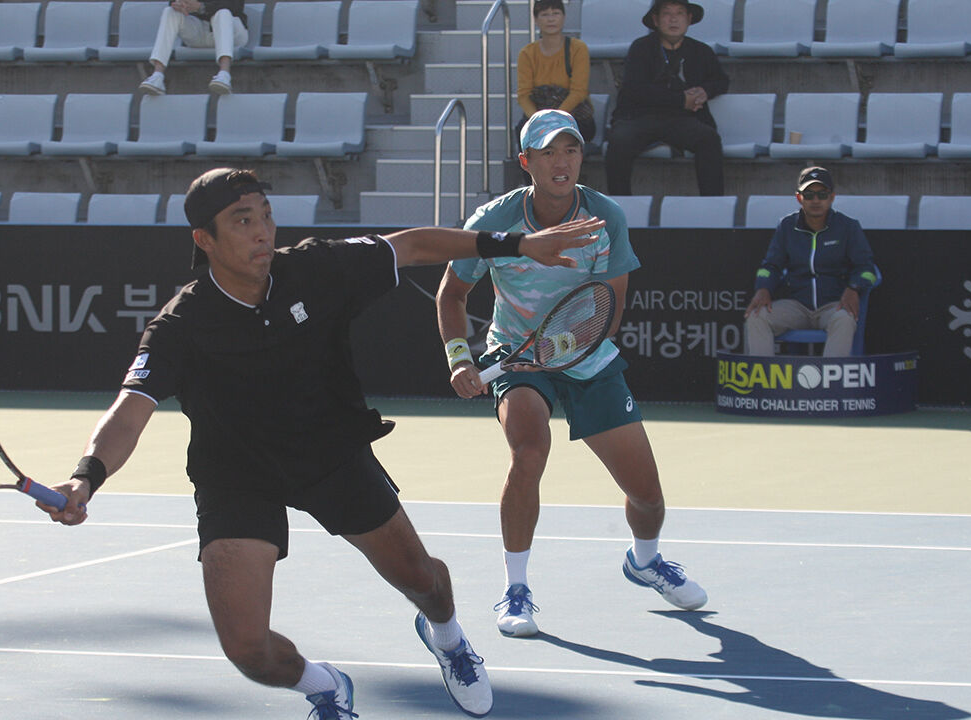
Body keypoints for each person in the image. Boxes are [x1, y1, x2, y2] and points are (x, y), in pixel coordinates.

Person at [39, 167, 606, 719]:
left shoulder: (315, 268)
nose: (263, 230)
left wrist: (516, 245)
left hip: (331, 453)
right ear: (203, 240)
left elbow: (407, 247)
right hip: (237, 477)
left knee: (424, 582)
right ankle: (327, 685)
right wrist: (86, 476)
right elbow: (130, 409)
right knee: (247, 650)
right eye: (242, 221)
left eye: (265, 214)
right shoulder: (181, 324)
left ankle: (449, 637)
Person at [435, 110, 708, 640]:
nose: (561, 162)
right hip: (517, 360)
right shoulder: (492, 221)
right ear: (527, 162)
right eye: (548, 152)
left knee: (648, 498)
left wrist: (573, 344)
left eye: (571, 151)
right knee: (529, 451)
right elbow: (452, 292)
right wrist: (459, 358)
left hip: (588, 359)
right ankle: (516, 588)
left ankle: (645, 561)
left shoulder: (607, 216)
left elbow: (612, 301)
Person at [743, 166, 878, 357]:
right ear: (799, 198)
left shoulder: (848, 227)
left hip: (834, 304)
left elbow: (867, 269)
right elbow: (770, 266)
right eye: (809, 194)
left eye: (822, 194)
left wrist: (854, 287)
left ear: (831, 197)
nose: (815, 200)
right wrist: (763, 288)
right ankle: (763, 382)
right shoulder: (787, 226)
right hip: (796, 305)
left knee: (844, 320)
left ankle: (831, 383)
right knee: (757, 317)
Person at [606, 0, 729, 197]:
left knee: (709, 140)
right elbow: (635, 90)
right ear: (655, 20)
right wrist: (681, 100)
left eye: (680, 13)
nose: (673, 19)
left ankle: (712, 206)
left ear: (689, 19)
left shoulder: (701, 51)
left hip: (682, 120)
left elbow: (721, 81)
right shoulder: (640, 48)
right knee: (618, 141)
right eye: (666, 14)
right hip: (640, 118)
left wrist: (704, 91)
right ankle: (620, 208)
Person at [516, 0, 594, 145]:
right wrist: (539, 120)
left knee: (567, 133)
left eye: (556, 13)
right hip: (539, 112)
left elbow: (579, 92)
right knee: (523, 131)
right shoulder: (527, 53)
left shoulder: (578, 48)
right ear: (536, 20)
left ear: (563, 17)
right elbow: (524, 95)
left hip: (572, 113)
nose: (551, 19)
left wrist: (555, 120)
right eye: (544, 14)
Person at [139, 0, 250, 96]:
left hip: (231, 33)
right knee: (170, 12)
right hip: (201, 32)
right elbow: (172, 2)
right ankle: (157, 76)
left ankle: (224, 74)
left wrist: (200, 7)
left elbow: (234, 6)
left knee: (223, 13)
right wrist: (181, 5)